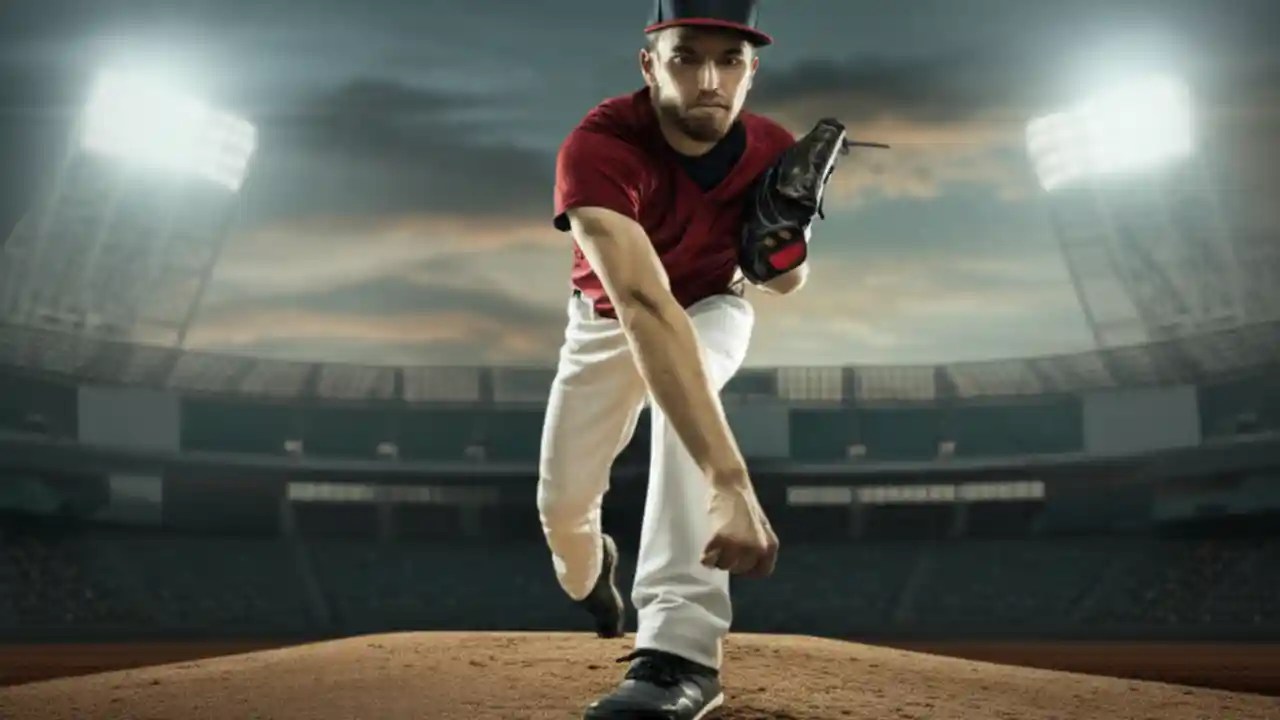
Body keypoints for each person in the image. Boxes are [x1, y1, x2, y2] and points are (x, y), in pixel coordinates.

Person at [538, 1, 807, 718]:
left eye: (730, 60)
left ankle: (680, 652)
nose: (709, 79)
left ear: (751, 71)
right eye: (687, 57)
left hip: (714, 305)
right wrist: (732, 482)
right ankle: (595, 582)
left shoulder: (773, 147)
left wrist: (783, 238)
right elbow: (642, 307)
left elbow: (784, 282)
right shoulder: (598, 148)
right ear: (650, 62)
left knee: (688, 396)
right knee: (562, 509)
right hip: (606, 322)